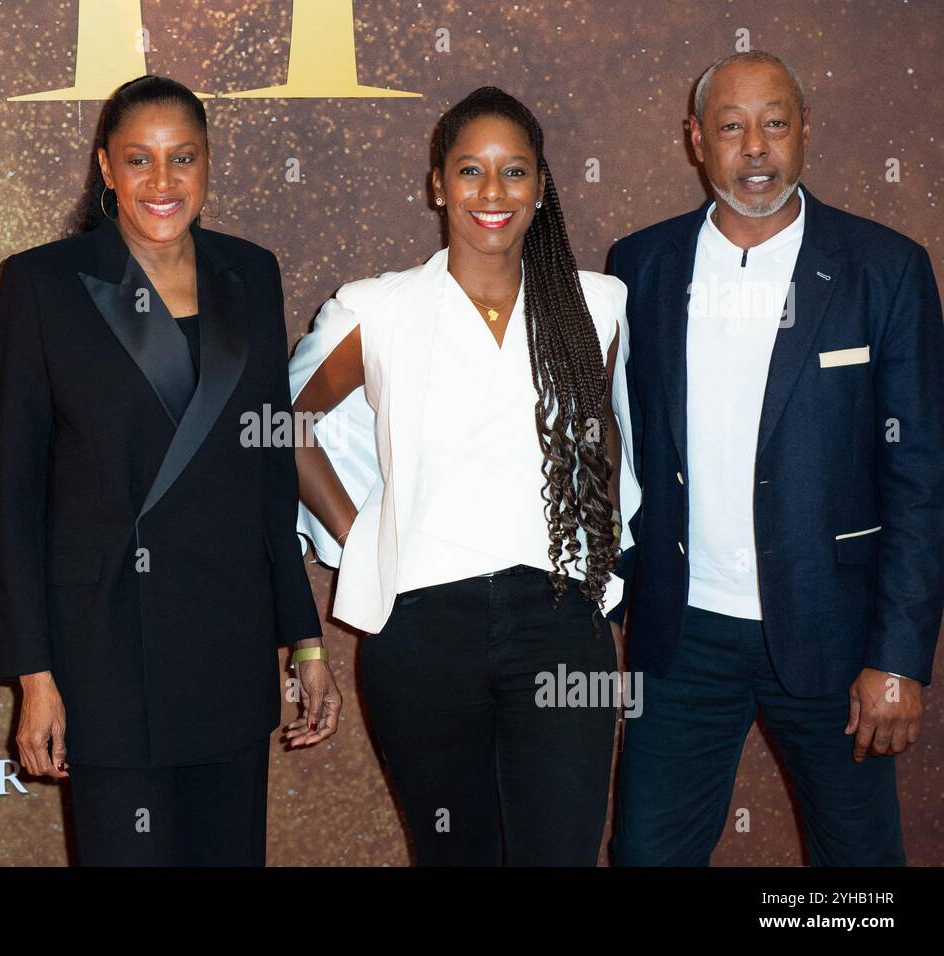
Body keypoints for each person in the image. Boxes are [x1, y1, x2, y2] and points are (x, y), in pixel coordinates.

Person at [0, 74, 341, 867]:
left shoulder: (251, 272)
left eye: (183, 158)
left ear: (209, 164)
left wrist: (304, 639)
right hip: (104, 652)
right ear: (106, 168)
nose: (162, 182)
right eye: (139, 160)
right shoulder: (43, 282)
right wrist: (33, 674)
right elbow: (14, 497)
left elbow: (267, 471)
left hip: (228, 642)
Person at [608, 51, 944, 866]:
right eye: (730, 126)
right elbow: (622, 441)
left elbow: (921, 478)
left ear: (804, 132)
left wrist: (898, 659)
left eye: (774, 124)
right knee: (647, 854)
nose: (754, 147)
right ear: (696, 140)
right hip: (682, 632)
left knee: (858, 868)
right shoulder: (641, 266)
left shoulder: (885, 269)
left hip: (834, 636)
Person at [289, 87, 638, 866]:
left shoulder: (597, 304)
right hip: (420, 633)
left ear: (541, 185)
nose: (493, 192)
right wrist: (366, 539)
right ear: (437, 184)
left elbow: (605, 440)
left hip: (560, 621)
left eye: (514, 171)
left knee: (561, 852)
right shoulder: (375, 309)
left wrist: (598, 554)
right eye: (470, 170)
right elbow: (286, 427)